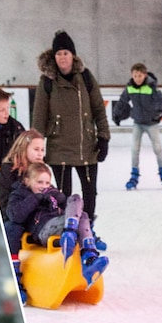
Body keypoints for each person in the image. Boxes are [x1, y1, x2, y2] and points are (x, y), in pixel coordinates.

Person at [32, 30, 111, 245]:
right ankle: (67, 232)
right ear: (53, 56)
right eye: (59, 54)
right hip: (59, 149)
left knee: (89, 193)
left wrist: (103, 137)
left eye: (66, 53)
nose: (62, 58)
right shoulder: (47, 81)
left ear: (73, 56)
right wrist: (36, 146)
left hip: (86, 147)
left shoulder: (85, 78)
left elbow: (98, 109)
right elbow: (39, 115)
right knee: (63, 196)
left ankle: (89, 232)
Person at [4, 162, 109, 294]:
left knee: (78, 205)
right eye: (39, 182)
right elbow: (15, 216)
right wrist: (36, 198)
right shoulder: (20, 195)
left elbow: (69, 206)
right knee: (82, 216)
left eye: (47, 183)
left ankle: (88, 256)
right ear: (27, 181)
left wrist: (57, 197)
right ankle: (76, 242)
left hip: (60, 225)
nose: (44, 186)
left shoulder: (52, 194)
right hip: (42, 229)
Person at [113, 62, 162, 190]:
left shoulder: (151, 87)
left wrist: (159, 112)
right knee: (134, 150)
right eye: (135, 76)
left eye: (139, 76)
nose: (137, 78)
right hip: (138, 123)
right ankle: (134, 176)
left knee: (157, 149)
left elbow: (161, 101)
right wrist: (116, 114)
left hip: (151, 123)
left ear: (144, 75)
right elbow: (122, 102)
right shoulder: (130, 88)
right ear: (132, 75)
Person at [0, 128, 46, 214]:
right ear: (24, 148)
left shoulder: (41, 170)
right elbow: (3, 201)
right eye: (36, 149)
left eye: (42, 150)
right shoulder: (9, 169)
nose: (40, 154)